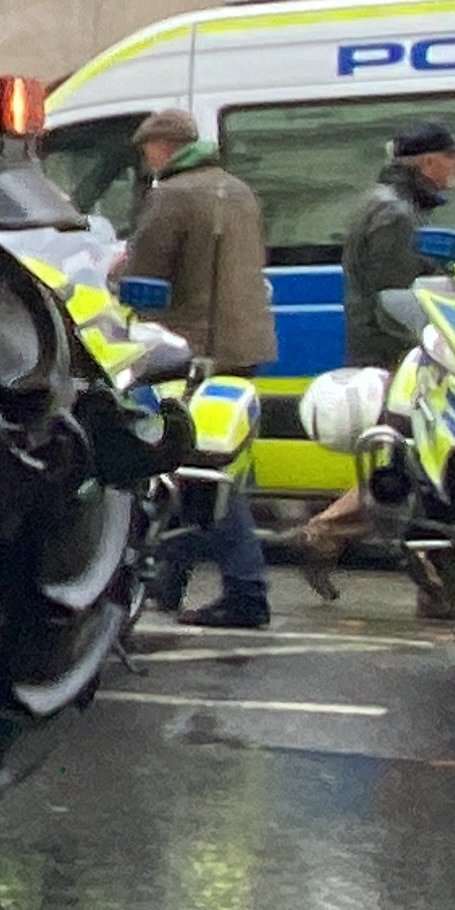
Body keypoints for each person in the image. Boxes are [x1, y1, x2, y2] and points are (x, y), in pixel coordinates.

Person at [123, 105, 279, 628]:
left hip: (191, 349)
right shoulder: (239, 190)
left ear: (162, 146)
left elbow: (144, 275)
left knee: (202, 470)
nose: (146, 160)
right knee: (214, 463)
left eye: (147, 150)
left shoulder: (171, 196)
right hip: (243, 344)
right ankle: (170, 582)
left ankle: (245, 592)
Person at [342, 122, 455, 370]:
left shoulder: (395, 203)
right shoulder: (395, 214)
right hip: (390, 355)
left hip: (382, 350)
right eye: (450, 156)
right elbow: (396, 296)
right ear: (427, 163)